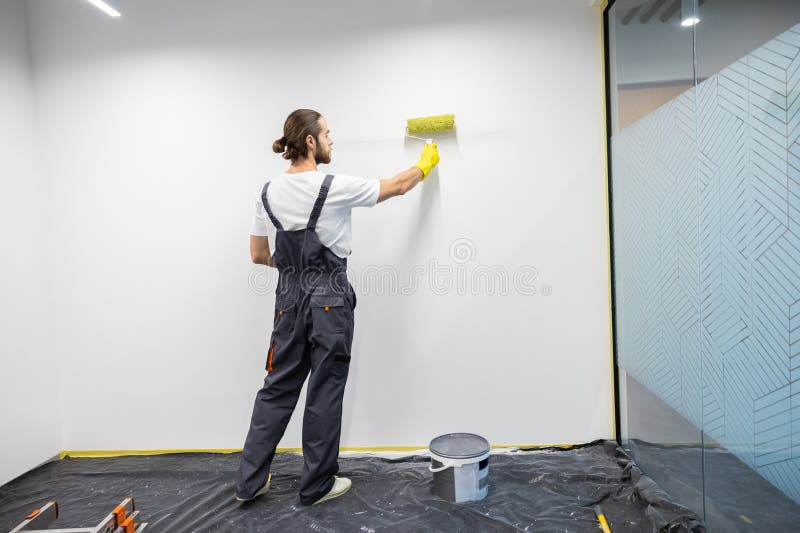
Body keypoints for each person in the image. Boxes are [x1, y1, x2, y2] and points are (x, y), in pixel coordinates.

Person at [235, 109, 439, 505]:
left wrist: (295, 270)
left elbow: (259, 255)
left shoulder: (266, 193)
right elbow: (397, 186)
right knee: (325, 390)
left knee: (275, 391)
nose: (332, 140)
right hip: (329, 298)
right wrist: (425, 163)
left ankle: (249, 483)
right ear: (310, 141)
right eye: (327, 134)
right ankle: (316, 486)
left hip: (288, 301)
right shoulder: (334, 185)